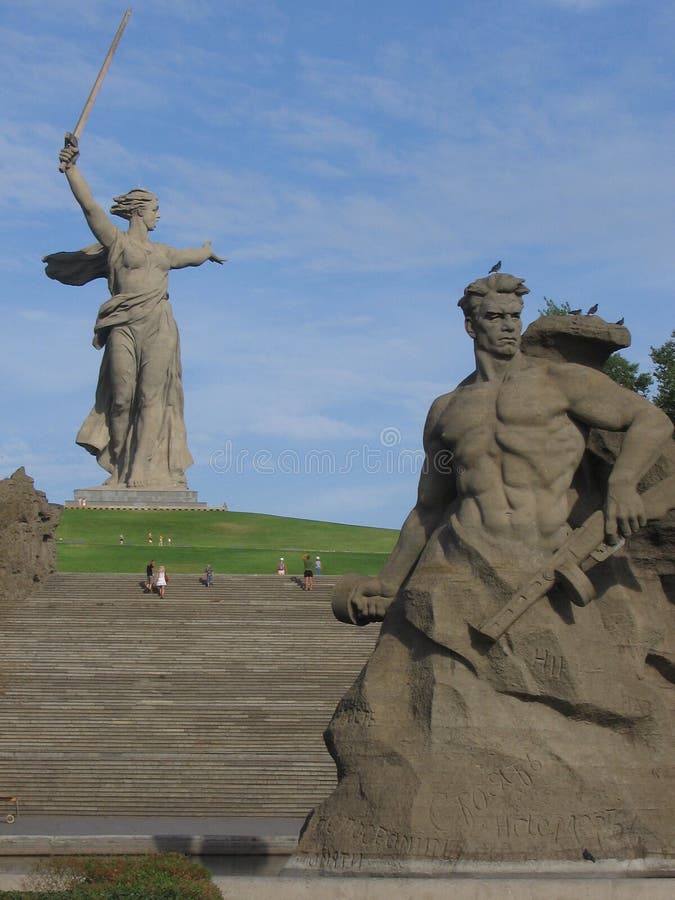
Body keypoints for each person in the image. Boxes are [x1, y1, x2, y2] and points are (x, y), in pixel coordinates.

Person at [298, 272, 675, 861]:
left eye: (513, 317)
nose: (507, 327)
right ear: (470, 323)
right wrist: (387, 583)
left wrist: (623, 483)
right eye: (496, 318)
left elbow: (652, 421)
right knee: (383, 709)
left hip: (551, 561)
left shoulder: (560, 382)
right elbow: (429, 508)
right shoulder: (446, 411)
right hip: (461, 564)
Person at [44, 137, 224, 489]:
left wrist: (206, 251)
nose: (159, 214)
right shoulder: (118, 243)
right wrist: (71, 169)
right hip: (123, 326)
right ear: (139, 211)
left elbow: (192, 256)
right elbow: (90, 208)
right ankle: (121, 469)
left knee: (152, 397)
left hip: (158, 326)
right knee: (123, 398)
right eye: (155, 208)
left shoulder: (163, 253)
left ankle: (142, 472)